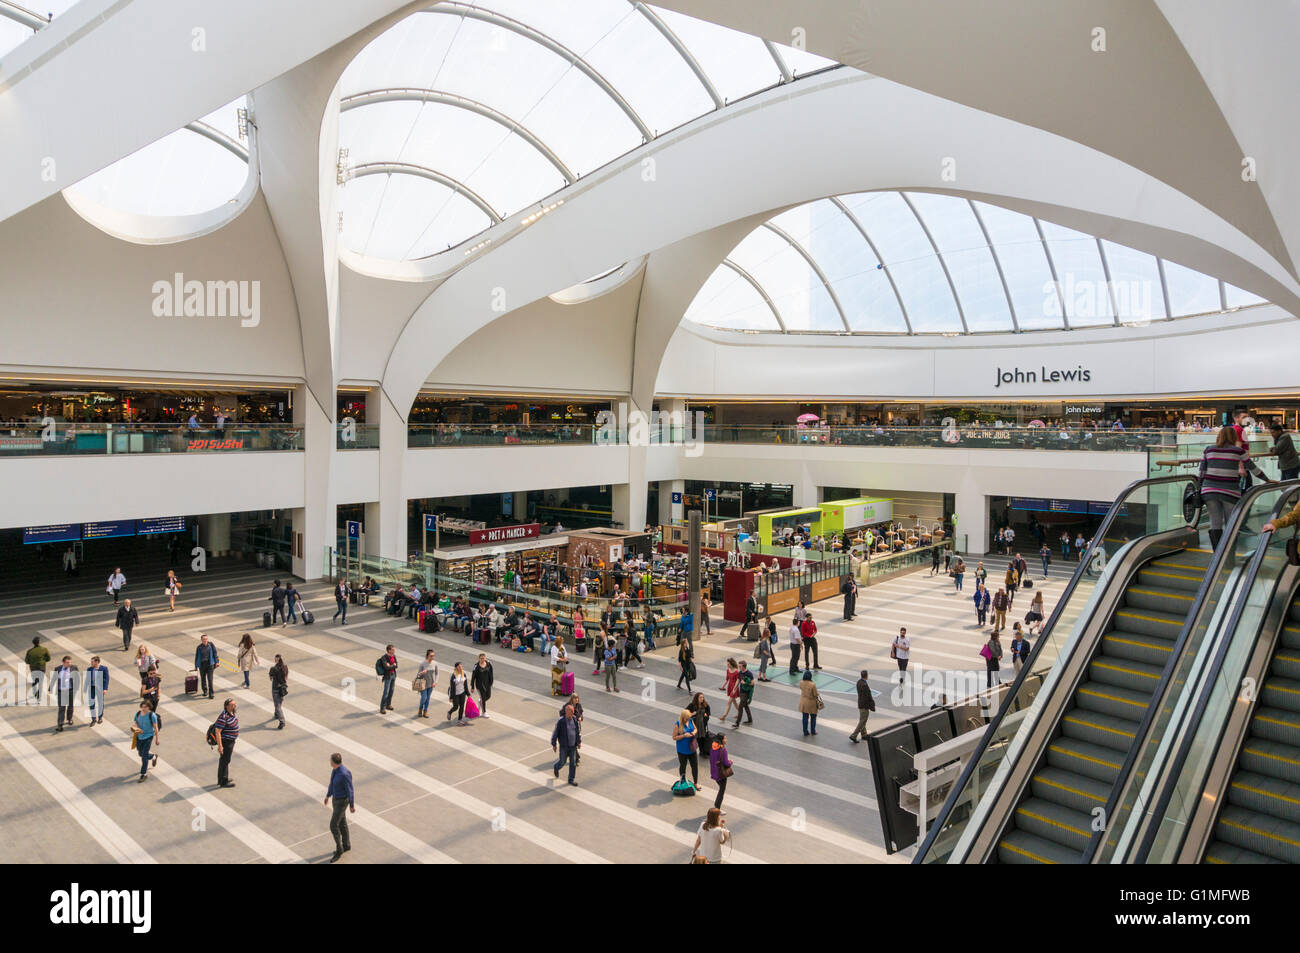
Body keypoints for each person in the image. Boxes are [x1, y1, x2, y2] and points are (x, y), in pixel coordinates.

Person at [1199, 426, 1273, 549]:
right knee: (1231, 524)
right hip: (1230, 492)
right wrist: (1267, 479)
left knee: (1215, 523)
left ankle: (1217, 557)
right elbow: (1253, 468)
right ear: (1233, 437)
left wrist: (1201, 487)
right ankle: (1229, 556)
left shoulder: (1208, 450)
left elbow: (1201, 472)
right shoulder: (1238, 451)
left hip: (1209, 491)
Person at [324, 753, 356, 863]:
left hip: (342, 802)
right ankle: (346, 845)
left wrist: (351, 805)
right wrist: (328, 795)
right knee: (342, 822)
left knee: (333, 825)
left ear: (334, 762)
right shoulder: (335, 771)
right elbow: (332, 784)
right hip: (335, 799)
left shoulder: (344, 774)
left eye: (330, 760)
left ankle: (339, 849)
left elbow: (350, 790)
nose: (330, 762)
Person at [551, 703, 581, 786]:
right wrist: (554, 744)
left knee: (573, 763)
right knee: (562, 762)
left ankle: (571, 779)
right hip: (564, 747)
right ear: (566, 712)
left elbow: (577, 732)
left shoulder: (574, 719)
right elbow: (555, 733)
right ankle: (556, 767)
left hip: (573, 746)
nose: (572, 713)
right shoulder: (561, 721)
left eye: (573, 712)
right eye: (570, 712)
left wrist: (579, 742)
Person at [130, 700, 160, 782]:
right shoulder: (138, 714)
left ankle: (143, 774)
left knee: (144, 756)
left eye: (145, 707)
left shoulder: (152, 715)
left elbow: (156, 727)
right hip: (139, 737)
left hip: (148, 736)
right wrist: (134, 727)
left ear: (149, 707)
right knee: (141, 753)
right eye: (142, 707)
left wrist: (157, 738)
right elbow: (136, 722)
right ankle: (153, 756)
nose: (143, 708)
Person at [214, 698, 239, 788]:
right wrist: (220, 746)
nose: (234, 706)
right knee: (224, 760)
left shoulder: (231, 713)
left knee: (226, 760)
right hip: (226, 742)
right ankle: (223, 781)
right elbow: (217, 731)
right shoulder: (224, 717)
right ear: (227, 706)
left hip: (231, 741)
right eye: (232, 705)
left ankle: (223, 778)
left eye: (234, 704)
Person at [672, 708, 700, 789]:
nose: (687, 719)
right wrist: (684, 735)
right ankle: (683, 782)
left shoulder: (691, 720)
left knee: (694, 766)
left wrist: (693, 733)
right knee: (683, 766)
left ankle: (696, 783)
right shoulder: (678, 724)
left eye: (688, 718)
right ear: (683, 717)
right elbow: (674, 737)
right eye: (686, 718)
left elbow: (695, 729)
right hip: (682, 750)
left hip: (692, 748)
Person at [847, 669, 876, 744]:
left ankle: (864, 734)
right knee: (862, 721)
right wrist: (869, 706)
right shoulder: (865, 685)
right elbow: (866, 697)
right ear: (866, 676)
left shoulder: (859, 682)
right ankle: (854, 735)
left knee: (863, 719)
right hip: (864, 705)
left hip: (860, 704)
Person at [51, 656, 77, 732]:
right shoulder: (58, 669)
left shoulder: (74, 668)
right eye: (67, 662)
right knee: (61, 708)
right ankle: (60, 724)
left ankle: (69, 719)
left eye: (70, 662)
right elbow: (54, 678)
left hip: (70, 690)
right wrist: (50, 687)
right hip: (61, 691)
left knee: (70, 706)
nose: (69, 664)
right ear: (63, 662)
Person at [708, 732, 733, 812]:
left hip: (714, 772)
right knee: (722, 790)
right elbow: (726, 763)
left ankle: (717, 807)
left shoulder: (713, 747)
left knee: (720, 789)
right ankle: (717, 808)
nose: (726, 740)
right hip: (721, 773)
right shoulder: (723, 750)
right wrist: (731, 762)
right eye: (725, 738)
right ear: (721, 740)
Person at [25, 636, 49, 703]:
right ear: (39, 642)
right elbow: (48, 658)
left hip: (33, 669)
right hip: (42, 668)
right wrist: (43, 661)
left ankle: (34, 693)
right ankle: (39, 698)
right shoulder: (44, 649)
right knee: (40, 682)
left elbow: (27, 661)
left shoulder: (29, 651)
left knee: (34, 681)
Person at [798, 669, 822, 737]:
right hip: (812, 704)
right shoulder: (813, 685)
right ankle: (813, 731)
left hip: (803, 703)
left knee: (805, 717)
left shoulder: (801, 682)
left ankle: (805, 731)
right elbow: (815, 694)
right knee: (813, 717)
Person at [86, 656, 108, 726]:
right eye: (91, 661)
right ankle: (93, 719)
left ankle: (100, 717)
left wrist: (105, 688)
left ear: (97, 662)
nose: (91, 663)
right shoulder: (89, 669)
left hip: (100, 689)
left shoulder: (104, 669)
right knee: (91, 704)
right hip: (92, 688)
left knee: (100, 703)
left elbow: (106, 679)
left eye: (92, 662)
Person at [269, 654, 289, 729]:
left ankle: (282, 721)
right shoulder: (285, 667)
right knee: (279, 702)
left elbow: (271, 678)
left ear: (276, 660)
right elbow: (286, 677)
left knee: (277, 705)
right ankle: (276, 714)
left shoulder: (273, 668)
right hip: (283, 688)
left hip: (276, 688)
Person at [732, 661, 755, 727]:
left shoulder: (749, 673)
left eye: (740, 666)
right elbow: (738, 680)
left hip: (746, 693)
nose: (739, 667)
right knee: (745, 706)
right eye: (739, 666)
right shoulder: (740, 673)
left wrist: (745, 683)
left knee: (740, 707)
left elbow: (753, 683)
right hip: (742, 692)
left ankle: (737, 723)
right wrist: (734, 688)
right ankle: (750, 720)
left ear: (744, 666)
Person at [446, 661, 470, 725]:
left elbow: (465, 685)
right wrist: (451, 697)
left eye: (461, 666)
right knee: (456, 707)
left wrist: (468, 694)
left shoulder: (463, 674)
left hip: (462, 693)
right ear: (456, 668)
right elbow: (452, 687)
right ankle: (449, 712)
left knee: (462, 707)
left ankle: (460, 720)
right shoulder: (453, 676)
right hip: (455, 694)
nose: (461, 667)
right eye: (459, 666)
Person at [378, 644, 398, 714]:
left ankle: (388, 704)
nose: (394, 651)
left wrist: (391, 666)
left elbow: (397, 665)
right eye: (393, 650)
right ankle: (382, 708)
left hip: (393, 675)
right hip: (387, 677)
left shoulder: (394, 656)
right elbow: (386, 668)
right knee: (386, 692)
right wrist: (393, 665)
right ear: (389, 650)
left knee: (391, 691)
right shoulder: (384, 658)